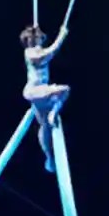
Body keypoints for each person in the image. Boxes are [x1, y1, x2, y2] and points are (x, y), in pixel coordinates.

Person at [20, 24, 71, 173]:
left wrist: (42, 37)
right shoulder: (29, 53)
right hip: (34, 91)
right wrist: (62, 36)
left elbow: (45, 49)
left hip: (42, 91)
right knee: (64, 90)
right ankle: (54, 111)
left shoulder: (37, 49)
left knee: (45, 127)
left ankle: (49, 158)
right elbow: (50, 53)